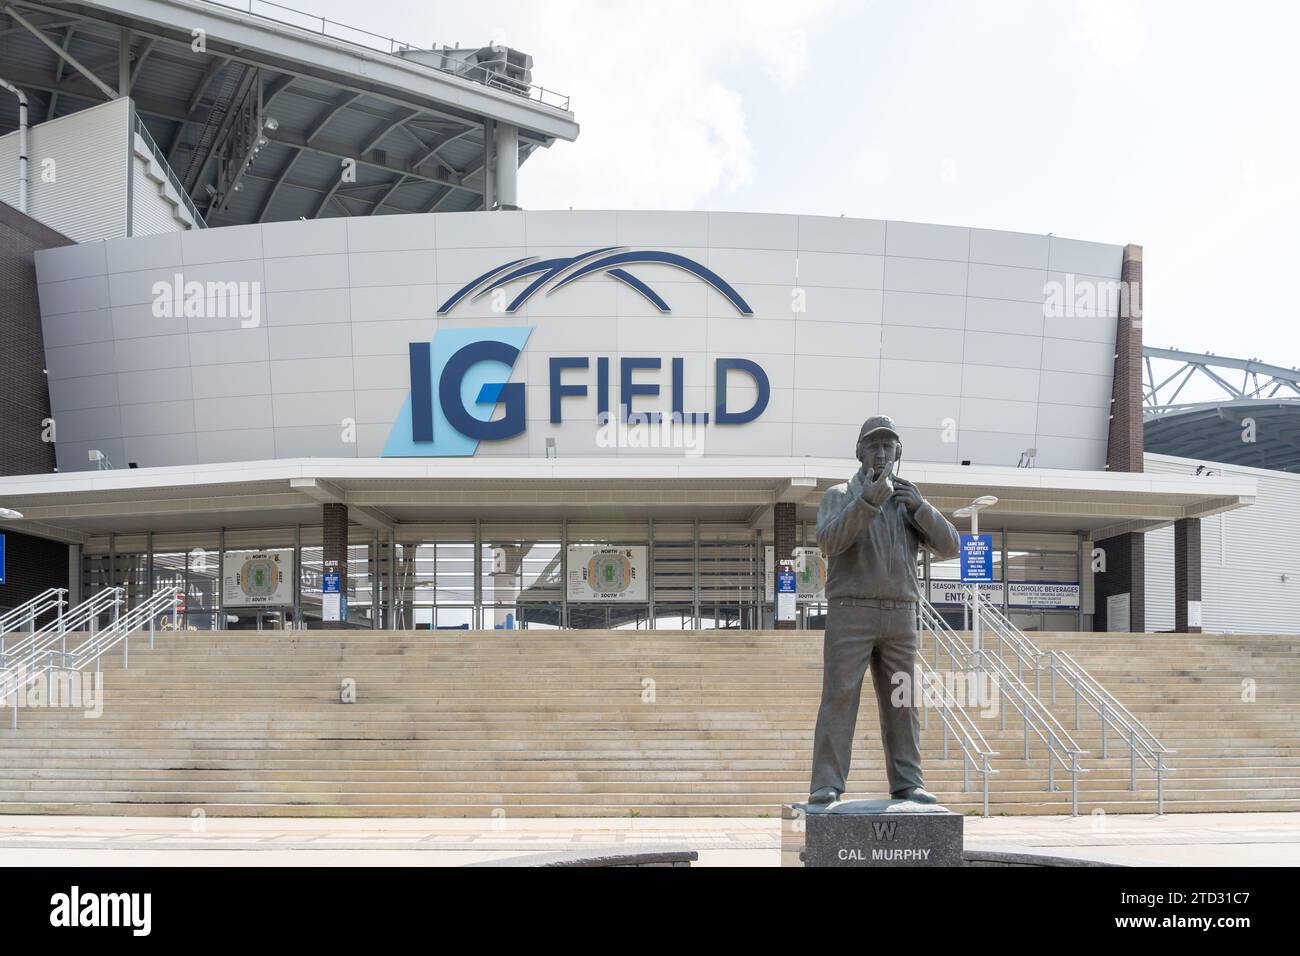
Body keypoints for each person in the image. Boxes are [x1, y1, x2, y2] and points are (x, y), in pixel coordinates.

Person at [808, 415, 960, 805]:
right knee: (840, 697)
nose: (881, 453)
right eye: (873, 446)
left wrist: (922, 508)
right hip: (851, 611)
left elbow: (951, 546)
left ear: (898, 452)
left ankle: (908, 781)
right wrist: (866, 503)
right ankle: (827, 783)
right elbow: (830, 542)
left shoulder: (909, 499)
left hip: (900, 614)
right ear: (859, 452)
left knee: (903, 700)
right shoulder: (839, 495)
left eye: (888, 446)